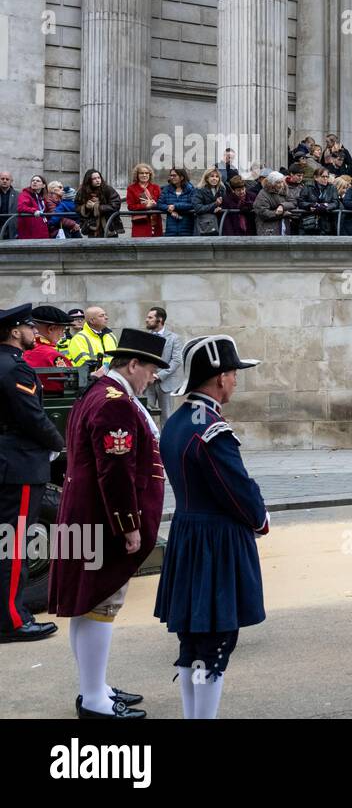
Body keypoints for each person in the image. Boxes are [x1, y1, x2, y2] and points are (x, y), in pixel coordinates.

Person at [49, 328, 169, 718]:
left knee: (89, 605)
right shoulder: (114, 401)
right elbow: (114, 470)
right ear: (132, 364)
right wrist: (129, 524)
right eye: (150, 370)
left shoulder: (100, 392)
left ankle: (94, 687)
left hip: (84, 514)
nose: (152, 378)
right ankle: (95, 700)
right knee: (102, 603)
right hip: (101, 519)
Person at [155, 335, 268, 718]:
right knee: (216, 644)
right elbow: (238, 490)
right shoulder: (212, 429)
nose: (236, 380)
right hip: (214, 543)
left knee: (193, 645)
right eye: (234, 373)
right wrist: (260, 518)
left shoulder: (176, 421)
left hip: (188, 534)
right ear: (220, 377)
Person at [0, 305, 65, 644]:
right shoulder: (14, 368)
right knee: (14, 545)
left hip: (9, 462)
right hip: (20, 463)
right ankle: (11, 621)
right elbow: (32, 417)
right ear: (14, 332)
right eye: (27, 326)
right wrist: (59, 443)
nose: (32, 331)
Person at [143, 306, 183, 418]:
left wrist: (159, 375)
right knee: (146, 416)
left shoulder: (174, 338)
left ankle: (166, 436)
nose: (147, 319)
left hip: (165, 383)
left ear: (159, 320)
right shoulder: (145, 337)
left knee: (167, 416)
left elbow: (176, 360)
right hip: (147, 383)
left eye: (150, 317)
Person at [23, 305, 74, 394]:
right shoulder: (51, 354)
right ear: (51, 329)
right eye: (62, 330)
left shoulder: (25, 347)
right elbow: (74, 380)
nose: (62, 335)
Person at [63, 306, 118, 373]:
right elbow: (83, 363)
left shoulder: (111, 336)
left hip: (112, 378)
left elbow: (118, 358)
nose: (106, 318)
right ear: (92, 321)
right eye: (101, 316)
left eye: (105, 315)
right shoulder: (79, 338)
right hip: (93, 379)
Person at [75, 169, 123, 238]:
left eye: (98, 177)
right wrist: (85, 207)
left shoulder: (108, 189)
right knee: (93, 248)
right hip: (92, 227)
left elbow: (116, 205)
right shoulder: (82, 192)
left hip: (109, 226)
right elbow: (76, 207)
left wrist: (97, 207)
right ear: (88, 180)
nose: (97, 180)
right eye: (94, 178)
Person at [16, 175, 49, 240]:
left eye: (38, 181)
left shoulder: (42, 198)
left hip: (41, 231)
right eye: (33, 180)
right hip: (30, 232)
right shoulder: (25, 194)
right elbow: (21, 207)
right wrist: (34, 211)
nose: (34, 182)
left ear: (43, 185)